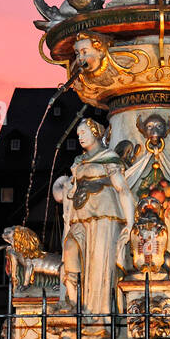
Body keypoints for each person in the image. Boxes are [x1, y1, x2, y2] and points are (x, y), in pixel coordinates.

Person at [53, 119, 132, 322]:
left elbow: (122, 189)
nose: (80, 137)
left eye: (83, 132)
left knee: (99, 264)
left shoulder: (109, 158)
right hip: (80, 216)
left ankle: (98, 316)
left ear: (96, 132)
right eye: (78, 134)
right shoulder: (79, 161)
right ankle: (75, 303)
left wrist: (130, 222)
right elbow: (69, 188)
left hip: (104, 215)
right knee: (70, 250)